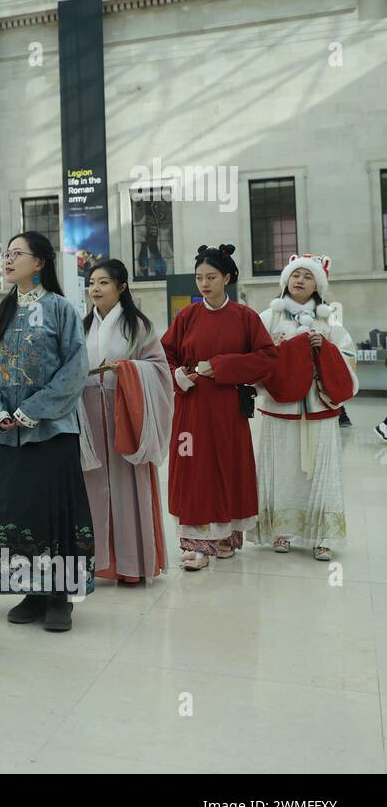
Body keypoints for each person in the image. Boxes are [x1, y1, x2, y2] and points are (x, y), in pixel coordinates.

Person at [0, 231, 92, 630]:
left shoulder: (61, 309)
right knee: (18, 510)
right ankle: (29, 589)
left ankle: (60, 597)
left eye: (16, 254)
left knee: (53, 510)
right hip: (7, 432)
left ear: (40, 263)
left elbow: (76, 368)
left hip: (53, 431)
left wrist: (32, 411)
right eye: (6, 254)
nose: (7, 260)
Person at [161, 244, 277, 570]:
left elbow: (267, 357)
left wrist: (221, 366)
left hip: (226, 408)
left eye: (211, 276)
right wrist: (178, 376)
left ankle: (225, 538)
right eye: (199, 277)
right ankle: (198, 544)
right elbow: (164, 355)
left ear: (227, 277)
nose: (204, 284)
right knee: (193, 468)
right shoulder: (187, 316)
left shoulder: (245, 317)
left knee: (228, 466)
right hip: (191, 408)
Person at [251, 255, 358, 561]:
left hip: (319, 406)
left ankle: (322, 535)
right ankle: (280, 531)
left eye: (307, 277)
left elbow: (348, 354)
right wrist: (280, 347)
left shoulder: (329, 320)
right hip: (280, 407)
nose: (299, 280)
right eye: (295, 275)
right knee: (282, 468)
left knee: (322, 470)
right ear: (286, 280)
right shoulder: (269, 317)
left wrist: (325, 348)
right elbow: (256, 355)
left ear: (318, 285)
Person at [77, 259, 173, 585]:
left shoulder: (138, 326)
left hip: (126, 414)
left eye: (103, 282)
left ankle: (133, 564)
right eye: (91, 282)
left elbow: (159, 369)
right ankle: (99, 561)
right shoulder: (82, 326)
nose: (95, 289)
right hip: (89, 415)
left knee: (127, 487)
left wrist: (128, 370)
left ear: (121, 287)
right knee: (92, 488)